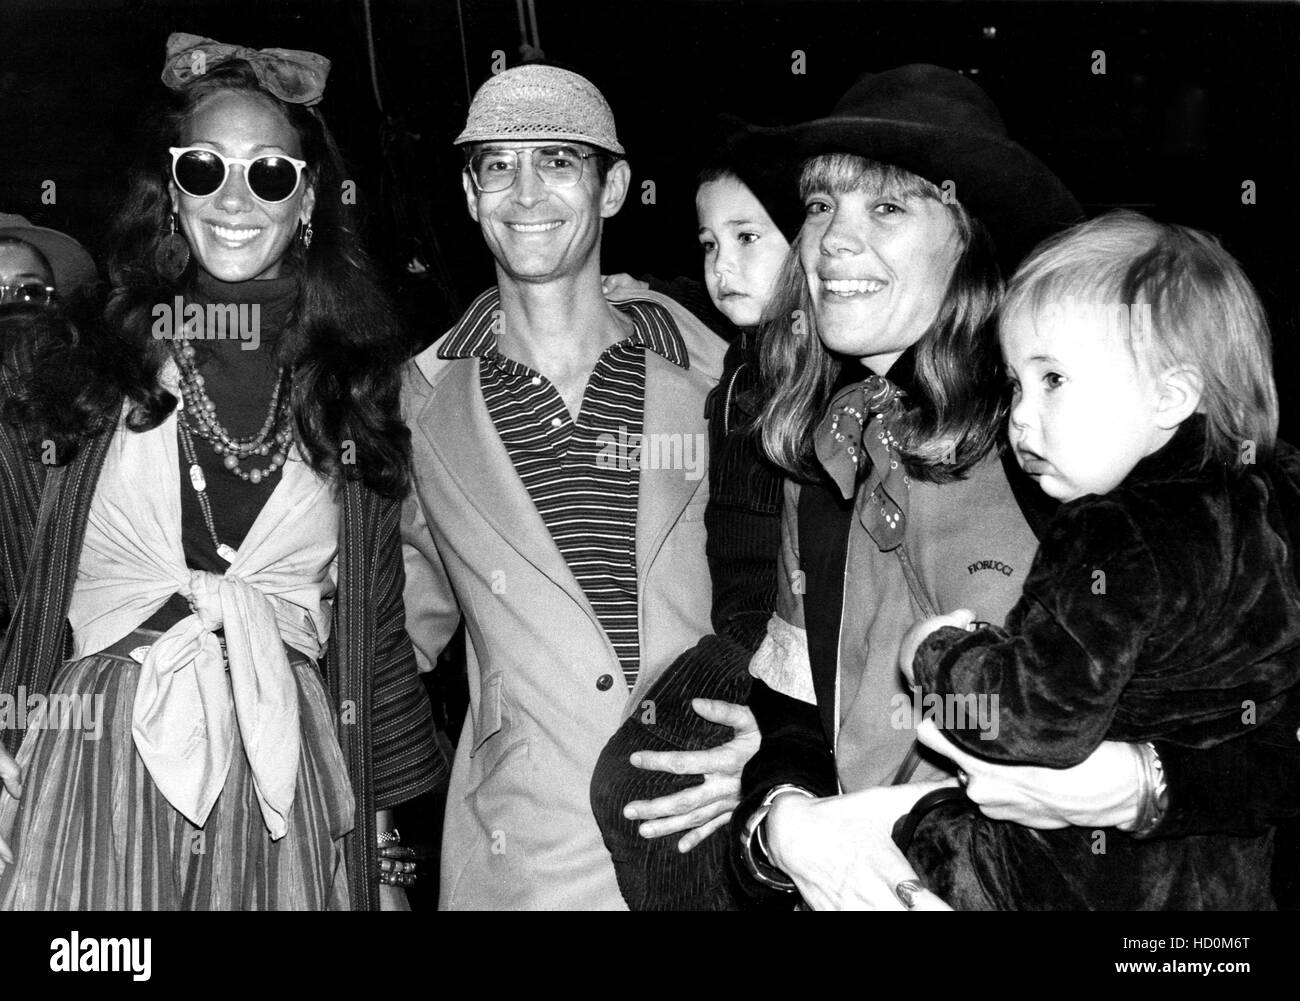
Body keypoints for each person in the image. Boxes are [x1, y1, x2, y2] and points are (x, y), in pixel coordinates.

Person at [730, 63, 1300, 911]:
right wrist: (782, 831)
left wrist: (1148, 784)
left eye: (886, 206)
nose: (831, 242)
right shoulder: (822, 462)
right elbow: (791, 719)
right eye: (820, 207)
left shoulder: (1079, 450)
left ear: (970, 234)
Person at [0, 32, 442, 910]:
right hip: (98, 762)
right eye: (205, 168)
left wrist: (387, 866)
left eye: (269, 173)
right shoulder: (84, 359)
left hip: (291, 778)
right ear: (172, 189)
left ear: (307, 197)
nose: (235, 199)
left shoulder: (356, 387)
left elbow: (377, 635)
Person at [400, 63, 757, 910]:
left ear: (614, 187)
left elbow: (804, 598)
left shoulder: (724, 376)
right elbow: (390, 640)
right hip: (524, 856)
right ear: (469, 191)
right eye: (497, 164)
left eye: (558, 160)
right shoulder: (414, 405)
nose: (526, 192)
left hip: (710, 829)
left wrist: (780, 743)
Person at [896, 210, 1300, 908]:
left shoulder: (1110, 529)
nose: (1019, 417)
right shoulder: (1276, 499)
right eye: (1016, 385)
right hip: (1231, 888)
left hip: (1086, 881)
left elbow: (1034, 720)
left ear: (1170, 394)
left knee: (923, 832)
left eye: (1052, 379)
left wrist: (933, 654)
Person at [590, 134, 803, 909]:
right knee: (639, 792)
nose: (724, 264)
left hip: (776, 648)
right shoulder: (741, 364)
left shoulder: (818, 375)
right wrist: (644, 285)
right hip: (737, 628)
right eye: (711, 242)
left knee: (643, 789)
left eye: (749, 238)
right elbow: (697, 303)